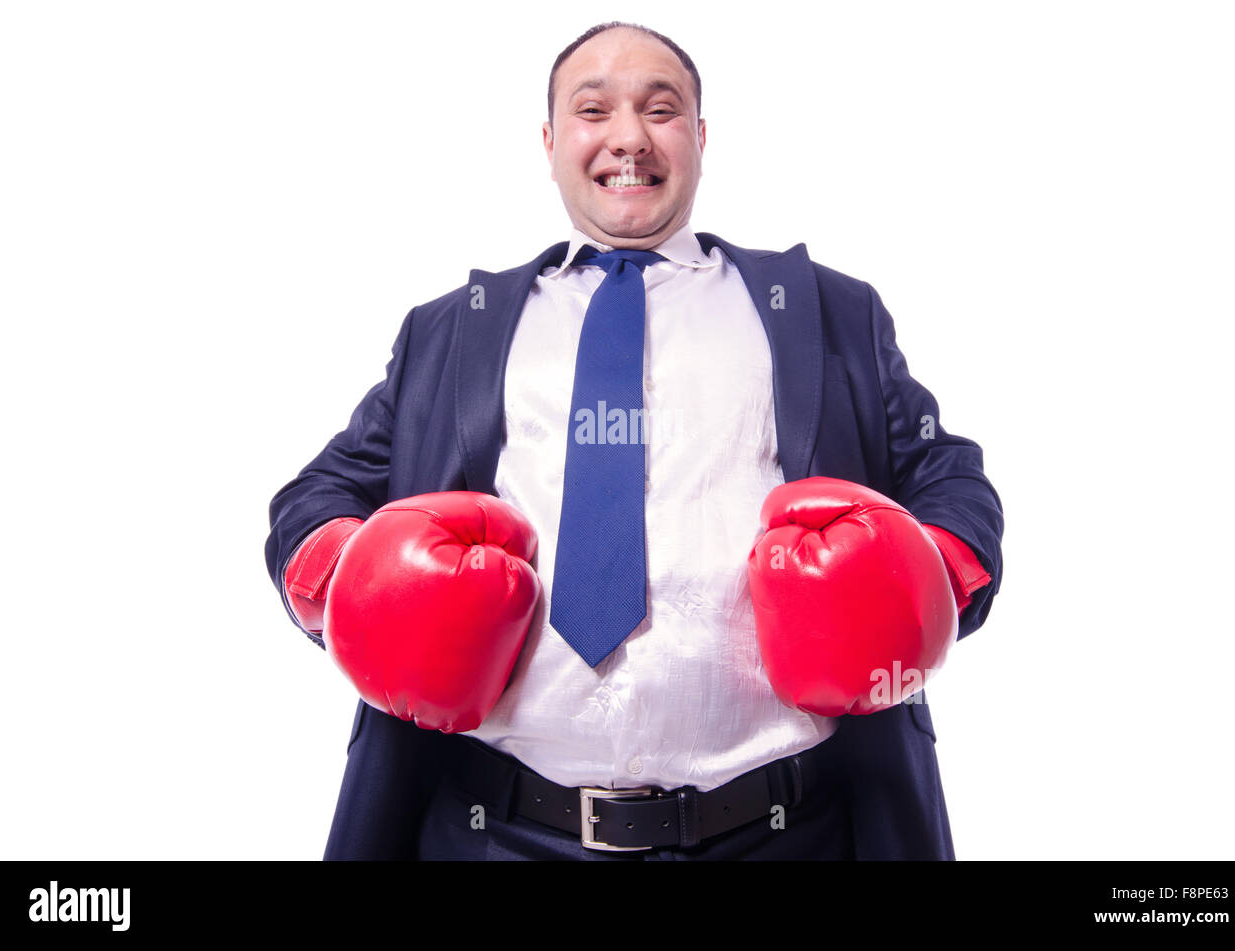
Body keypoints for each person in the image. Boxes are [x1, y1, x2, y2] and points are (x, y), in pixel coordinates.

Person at [265, 20, 1004, 861]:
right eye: (593, 110)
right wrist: (368, 593)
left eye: (661, 109)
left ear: (699, 135)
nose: (628, 138)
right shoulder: (452, 332)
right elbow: (316, 499)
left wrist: (917, 582)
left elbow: (948, 476)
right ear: (549, 142)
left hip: (783, 832)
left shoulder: (826, 308)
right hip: (496, 831)